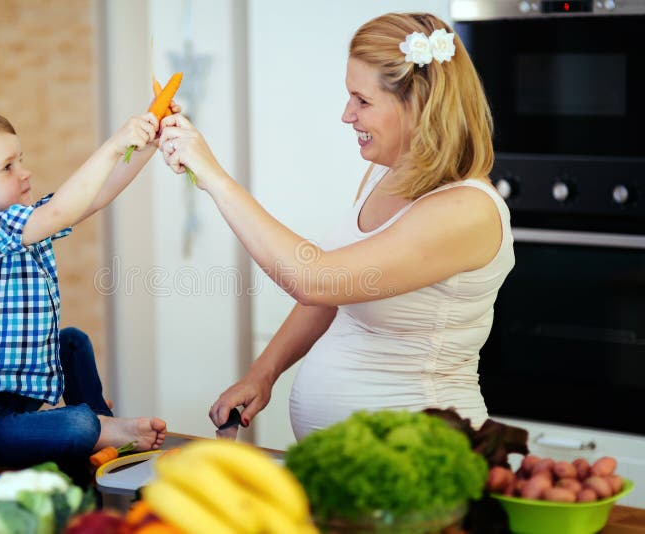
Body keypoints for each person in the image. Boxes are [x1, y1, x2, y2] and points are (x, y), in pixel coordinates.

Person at [159, 12, 514, 440]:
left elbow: (316, 280)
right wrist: (263, 373)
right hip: (344, 462)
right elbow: (335, 296)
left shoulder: (464, 210)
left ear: (418, 103)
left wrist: (214, 177)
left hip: (420, 454)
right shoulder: (386, 173)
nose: (348, 115)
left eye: (362, 101)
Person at [0, 98, 168, 477]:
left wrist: (147, 145)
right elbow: (59, 211)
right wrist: (114, 144)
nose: (25, 172)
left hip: (12, 406)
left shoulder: (22, 224)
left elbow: (94, 196)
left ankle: (102, 427)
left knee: (72, 342)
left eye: (20, 160)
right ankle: (96, 427)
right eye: (8, 167)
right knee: (77, 426)